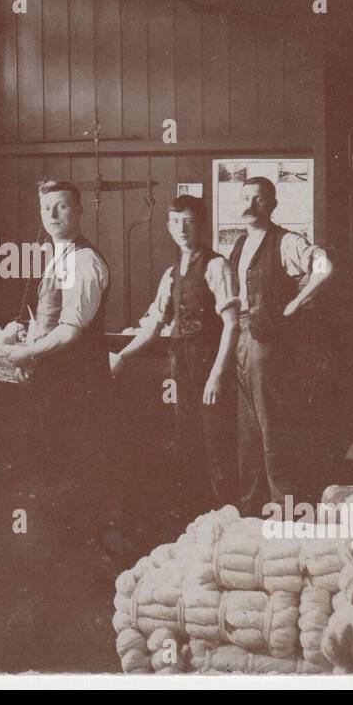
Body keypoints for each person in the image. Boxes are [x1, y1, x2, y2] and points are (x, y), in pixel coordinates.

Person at [110, 196, 241, 510]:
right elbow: (154, 324)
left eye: (189, 221)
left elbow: (232, 325)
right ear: (168, 226)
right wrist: (123, 356)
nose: (182, 229)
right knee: (187, 439)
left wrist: (217, 376)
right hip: (181, 364)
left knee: (217, 443)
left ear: (201, 224)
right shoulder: (171, 274)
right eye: (176, 222)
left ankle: (228, 517)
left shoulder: (216, 265)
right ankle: (195, 519)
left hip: (211, 365)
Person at [226, 176, 333, 509]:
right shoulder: (240, 244)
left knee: (273, 428)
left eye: (259, 199)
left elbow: (324, 267)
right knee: (247, 431)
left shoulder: (286, 241)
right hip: (239, 338)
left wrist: (296, 302)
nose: (251, 204)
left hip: (267, 342)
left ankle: (284, 508)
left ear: (271, 205)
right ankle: (252, 511)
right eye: (246, 197)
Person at [4, 180, 111, 495]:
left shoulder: (83, 260)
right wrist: (24, 332)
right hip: (56, 379)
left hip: (79, 382)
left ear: (77, 210)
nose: (51, 214)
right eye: (45, 207)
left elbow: (70, 330)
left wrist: (28, 353)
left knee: (76, 465)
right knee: (56, 462)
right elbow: (51, 317)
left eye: (61, 206)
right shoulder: (58, 256)